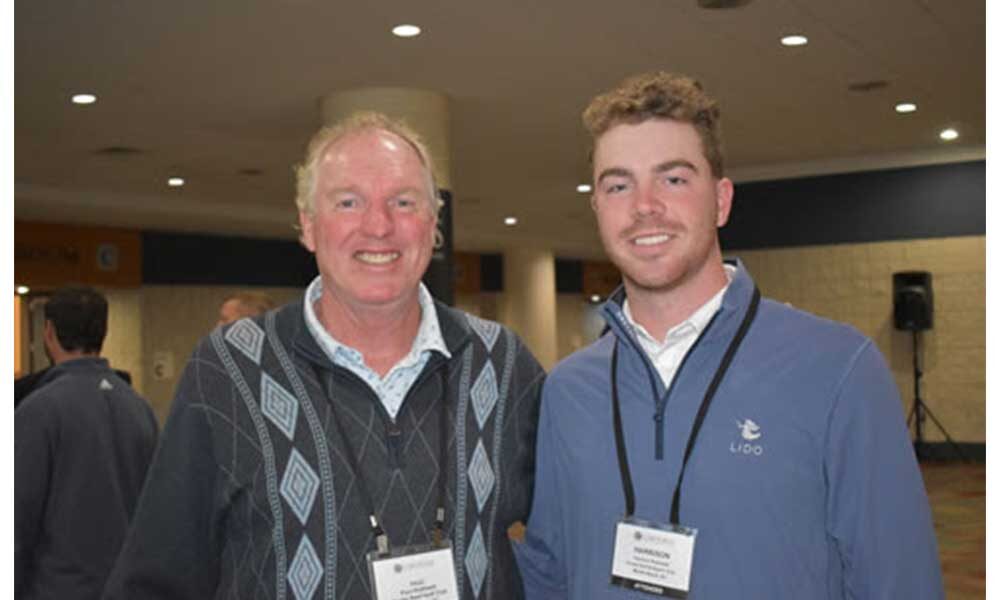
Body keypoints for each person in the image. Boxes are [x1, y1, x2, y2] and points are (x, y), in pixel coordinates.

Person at [514, 72, 943, 599]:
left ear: (721, 201)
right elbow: (549, 574)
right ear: (598, 208)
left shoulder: (838, 370)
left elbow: (900, 582)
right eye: (618, 185)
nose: (644, 205)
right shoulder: (568, 390)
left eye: (673, 179)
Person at [103, 112, 545, 599]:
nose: (378, 226)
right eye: (348, 202)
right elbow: (156, 578)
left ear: (433, 225)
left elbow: (568, 545)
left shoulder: (502, 363)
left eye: (403, 202)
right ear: (309, 226)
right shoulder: (229, 368)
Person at [15, 286, 159, 599]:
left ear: (48, 332)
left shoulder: (38, 410)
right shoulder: (140, 409)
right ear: (103, 332)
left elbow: (16, 522)